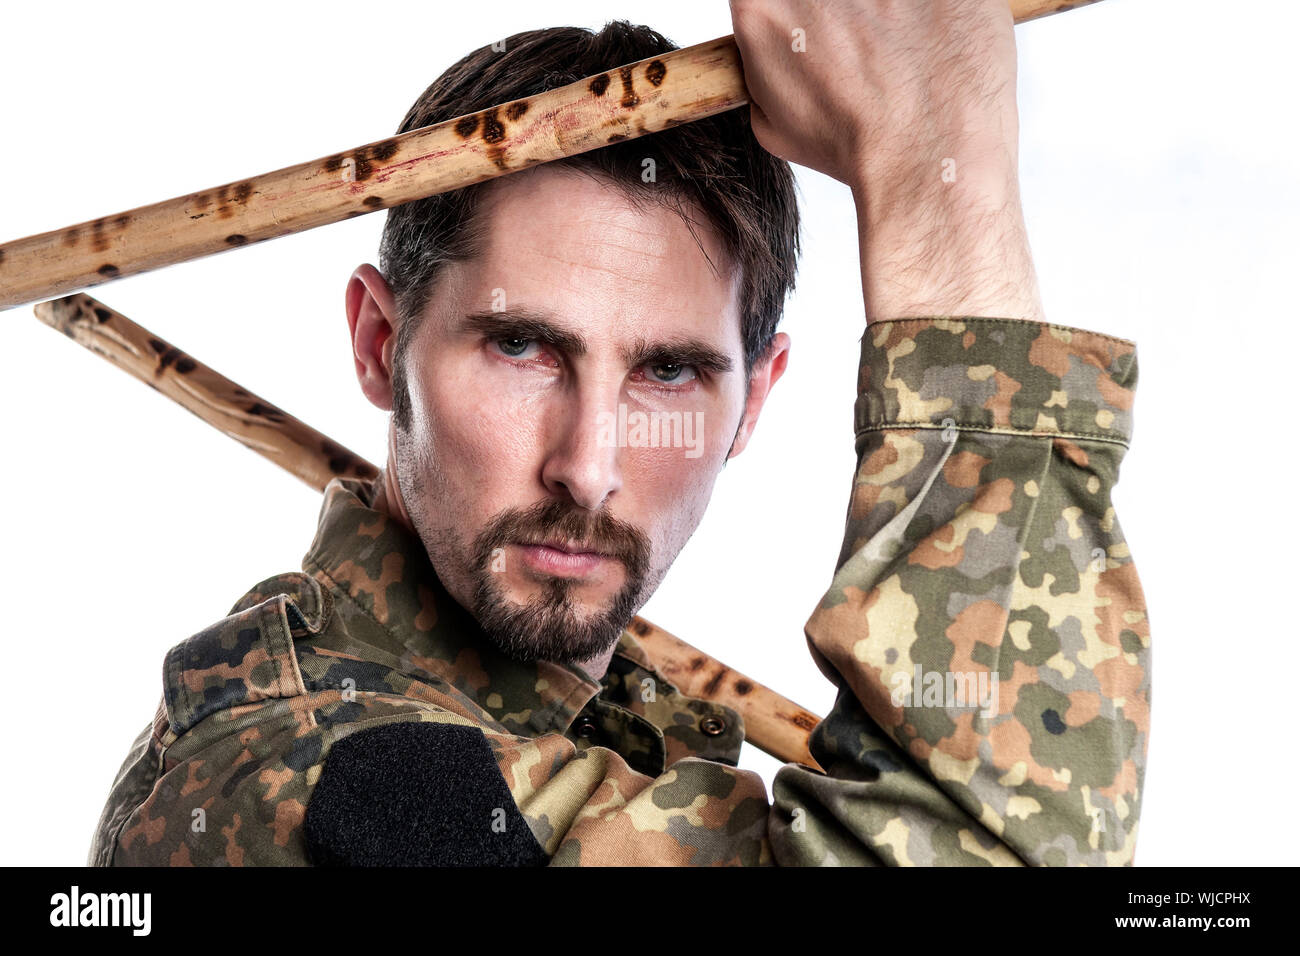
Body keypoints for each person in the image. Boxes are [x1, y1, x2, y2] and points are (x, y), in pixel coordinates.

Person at [89, 0, 1150, 866]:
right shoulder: (297, 776)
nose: (587, 465)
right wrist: (935, 173)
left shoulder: (601, 731)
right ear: (378, 341)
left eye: (671, 370)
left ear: (756, 399)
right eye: (520, 348)